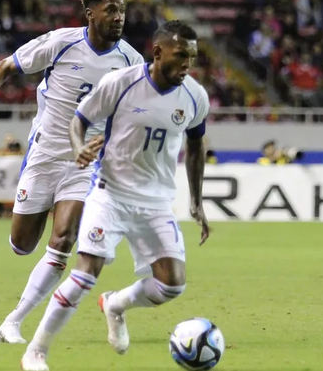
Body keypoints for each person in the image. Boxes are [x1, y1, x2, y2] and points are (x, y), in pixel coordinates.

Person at [0, 0, 144, 344]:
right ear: (90, 13)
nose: (119, 17)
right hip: (44, 155)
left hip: (84, 162)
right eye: (111, 10)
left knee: (63, 239)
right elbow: (5, 67)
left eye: (122, 9)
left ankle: (14, 321)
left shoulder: (132, 63)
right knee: (22, 244)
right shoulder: (61, 42)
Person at [20, 21, 211, 371]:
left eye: (193, 57)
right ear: (157, 52)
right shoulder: (121, 83)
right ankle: (36, 351)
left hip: (155, 202)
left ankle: (116, 304)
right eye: (181, 55)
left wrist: (197, 200)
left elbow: (197, 145)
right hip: (110, 195)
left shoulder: (195, 96)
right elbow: (79, 120)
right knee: (84, 275)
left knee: (172, 285)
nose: (188, 64)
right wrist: (79, 149)